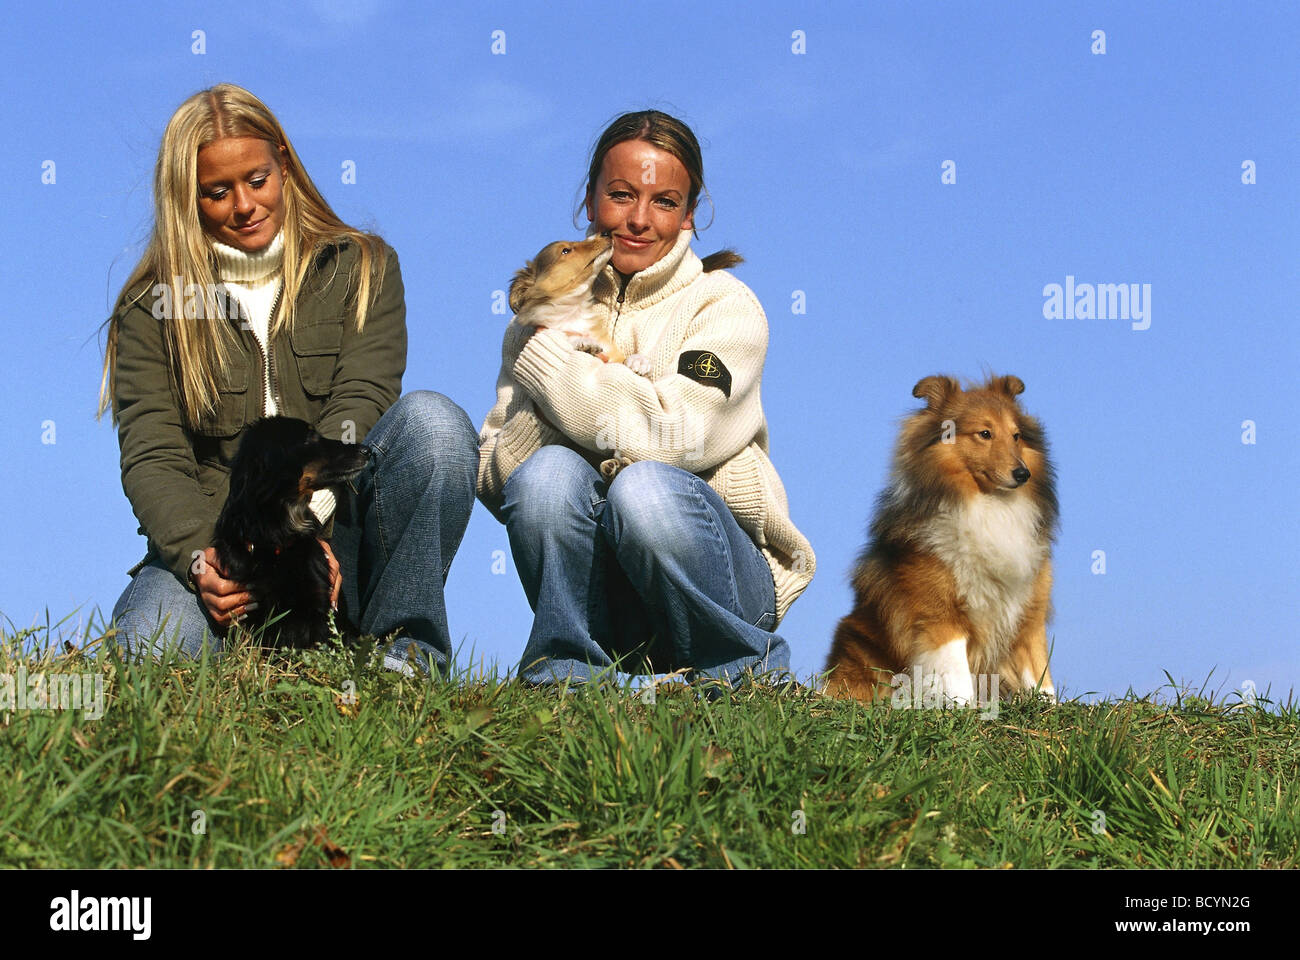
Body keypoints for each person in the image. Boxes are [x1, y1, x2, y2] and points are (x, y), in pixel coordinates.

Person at [100, 83, 479, 672]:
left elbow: (365, 397)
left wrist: (312, 524)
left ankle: (405, 654)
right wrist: (208, 560)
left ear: (283, 160)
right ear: (186, 197)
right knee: (143, 657)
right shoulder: (152, 308)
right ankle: (246, 656)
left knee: (434, 425)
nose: (244, 205)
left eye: (256, 180)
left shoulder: (364, 265)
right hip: (226, 548)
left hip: (338, 531)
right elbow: (153, 456)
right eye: (217, 192)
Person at [476, 110, 816, 686]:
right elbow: (492, 472)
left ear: (689, 214)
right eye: (620, 194)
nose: (637, 220)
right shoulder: (534, 325)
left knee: (645, 489)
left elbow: (673, 438)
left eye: (663, 201)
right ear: (589, 202)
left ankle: (739, 671)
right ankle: (567, 671)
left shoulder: (724, 307)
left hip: (722, 577)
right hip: (610, 589)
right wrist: (548, 407)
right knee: (545, 478)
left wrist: (558, 375)